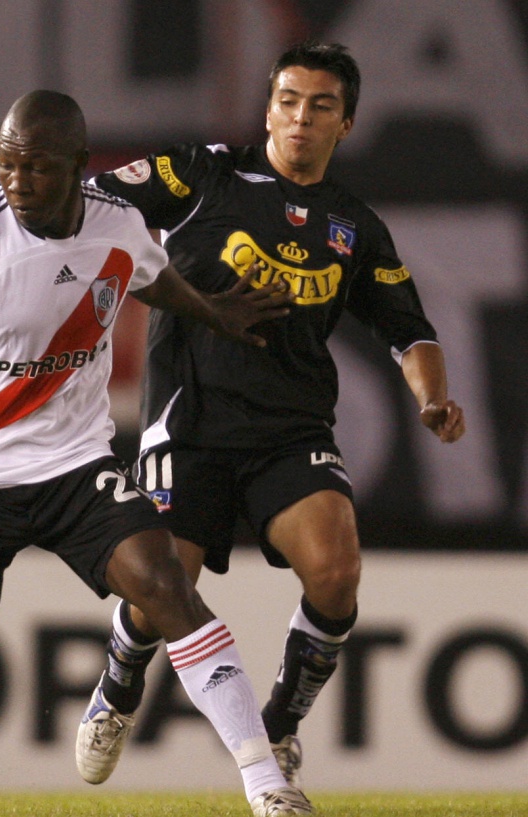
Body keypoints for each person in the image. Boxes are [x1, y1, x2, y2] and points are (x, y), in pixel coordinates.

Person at [0, 89, 310, 817]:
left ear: (77, 166)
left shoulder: (118, 223)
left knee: (166, 585)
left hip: (73, 465)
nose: (15, 182)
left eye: (35, 168)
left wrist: (213, 308)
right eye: (6, 165)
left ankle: (265, 781)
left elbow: (149, 274)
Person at [76, 40, 467, 803]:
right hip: (188, 423)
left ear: (346, 123)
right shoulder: (202, 174)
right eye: (288, 100)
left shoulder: (353, 225)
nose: (300, 117)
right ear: (268, 108)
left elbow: (408, 329)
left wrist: (431, 397)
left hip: (291, 430)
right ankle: (121, 682)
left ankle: (280, 724)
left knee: (337, 568)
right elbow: (92, 202)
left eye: (321, 106)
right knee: (166, 583)